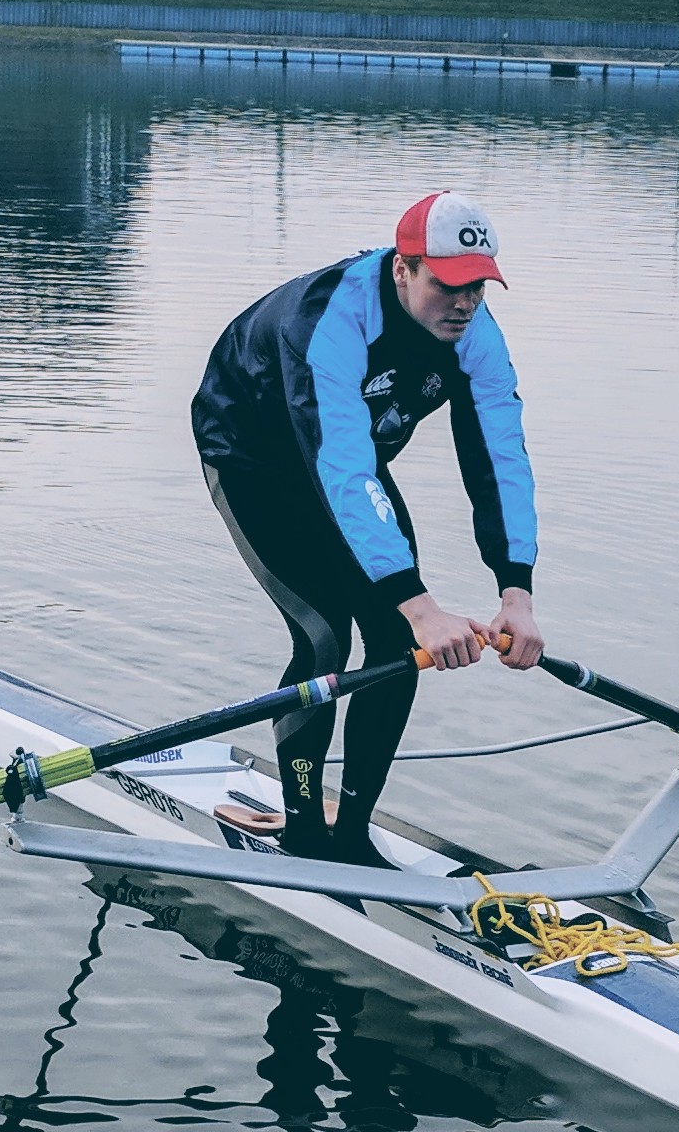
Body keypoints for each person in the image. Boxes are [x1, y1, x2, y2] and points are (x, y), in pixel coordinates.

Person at [190, 189, 544, 863]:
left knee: (389, 648)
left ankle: (350, 834)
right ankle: (300, 823)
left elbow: (500, 455)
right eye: (448, 287)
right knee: (324, 638)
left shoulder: (476, 337)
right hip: (252, 461)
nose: (464, 304)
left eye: (478, 287)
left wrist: (516, 592)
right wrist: (422, 607)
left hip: (345, 461)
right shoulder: (327, 322)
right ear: (402, 268)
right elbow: (345, 469)